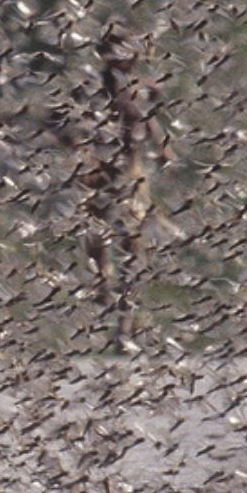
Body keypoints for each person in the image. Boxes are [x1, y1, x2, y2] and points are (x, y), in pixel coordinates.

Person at [71, 28, 173, 342]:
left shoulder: (141, 89)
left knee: (133, 239)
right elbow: (69, 122)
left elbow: (146, 117)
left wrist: (162, 147)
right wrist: (82, 151)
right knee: (98, 235)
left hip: (130, 169)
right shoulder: (93, 88)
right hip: (100, 167)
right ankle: (104, 283)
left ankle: (126, 317)